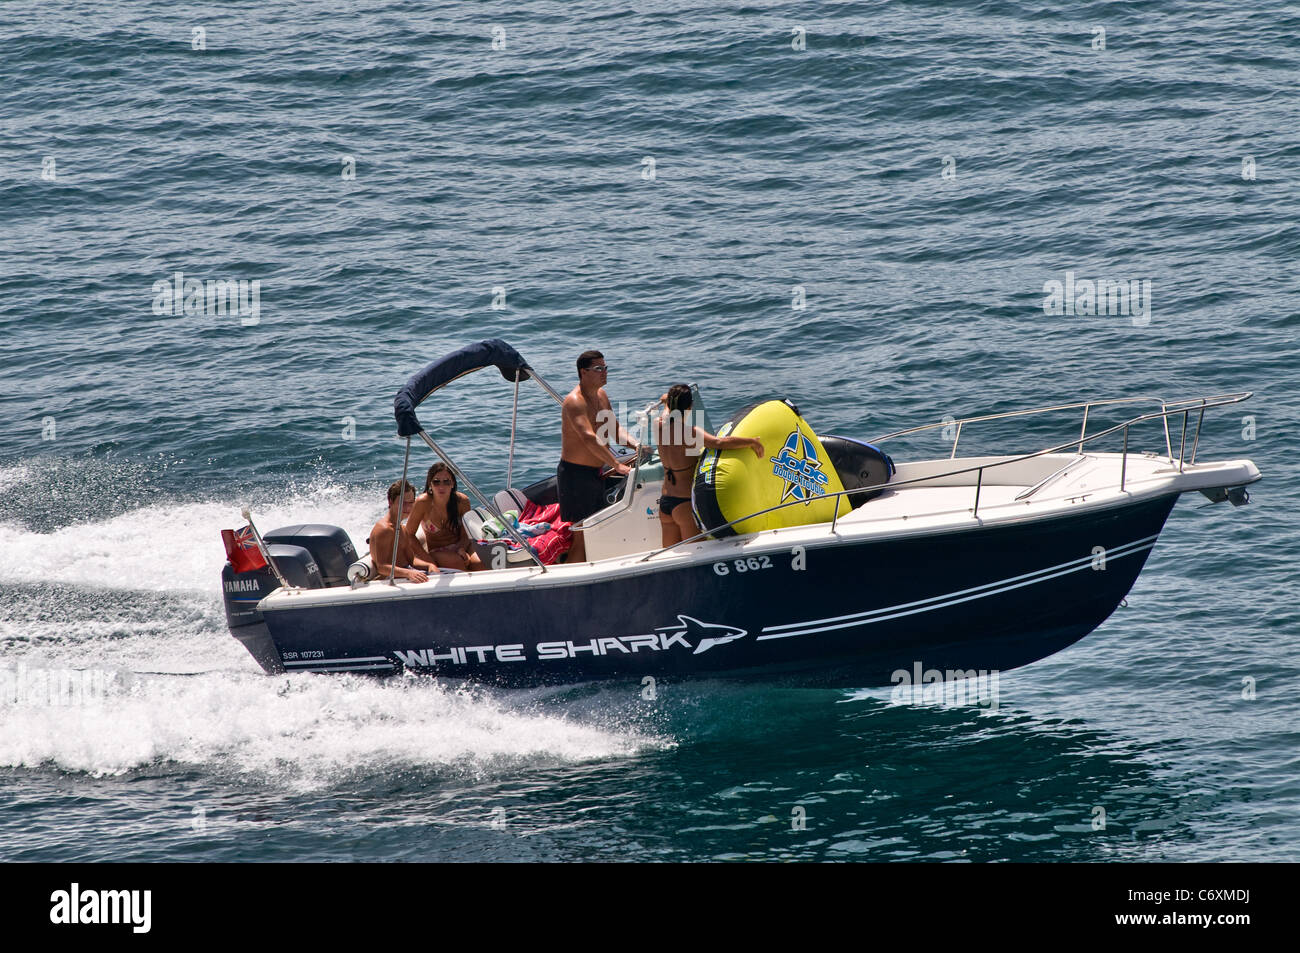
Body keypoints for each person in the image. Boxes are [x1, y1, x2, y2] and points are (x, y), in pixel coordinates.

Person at [558, 349, 643, 563]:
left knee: (597, 533)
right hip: (576, 477)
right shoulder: (574, 401)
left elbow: (615, 429)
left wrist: (637, 445)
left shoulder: (601, 395)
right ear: (583, 372)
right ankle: (572, 577)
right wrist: (616, 464)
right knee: (583, 536)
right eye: (598, 368)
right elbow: (588, 437)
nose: (604, 372)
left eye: (605, 368)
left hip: (596, 473)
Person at [654, 384, 764, 548]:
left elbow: (667, 413)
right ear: (690, 406)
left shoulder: (658, 424)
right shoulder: (689, 432)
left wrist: (667, 403)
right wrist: (751, 442)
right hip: (684, 504)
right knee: (696, 554)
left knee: (668, 554)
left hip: (665, 502)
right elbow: (719, 442)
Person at [405, 462, 484, 572]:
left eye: (446, 481)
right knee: (457, 562)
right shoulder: (422, 503)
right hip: (438, 550)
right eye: (436, 482)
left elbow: (466, 533)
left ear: (452, 484)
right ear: (430, 484)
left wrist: (462, 549)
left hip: (462, 545)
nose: (441, 486)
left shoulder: (462, 501)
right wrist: (428, 561)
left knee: (479, 563)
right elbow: (409, 535)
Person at [368, 480, 436, 583]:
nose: (408, 508)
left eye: (411, 503)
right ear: (390, 501)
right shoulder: (384, 530)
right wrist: (408, 573)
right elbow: (381, 567)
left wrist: (429, 565)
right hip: (395, 580)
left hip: (408, 572)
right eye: (403, 503)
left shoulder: (402, 529)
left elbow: (411, 560)